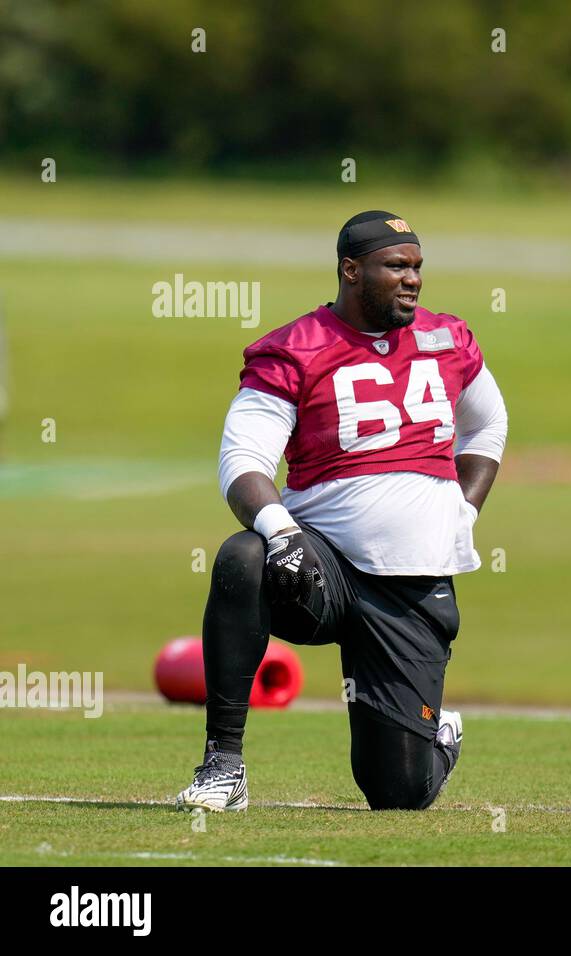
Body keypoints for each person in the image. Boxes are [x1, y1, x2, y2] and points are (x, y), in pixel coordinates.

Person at [176, 210, 507, 811]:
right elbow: (242, 461)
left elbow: (487, 426)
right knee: (244, 556)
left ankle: (439, 733)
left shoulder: (449, 338)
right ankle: (223, 764)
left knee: (398, 794)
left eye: (417, 268)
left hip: (411, 582)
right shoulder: (294, 348)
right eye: (396, 267)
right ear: (351, 270)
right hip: (320, 566)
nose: (412, 280)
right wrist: (281, 533)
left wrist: (466, 510)